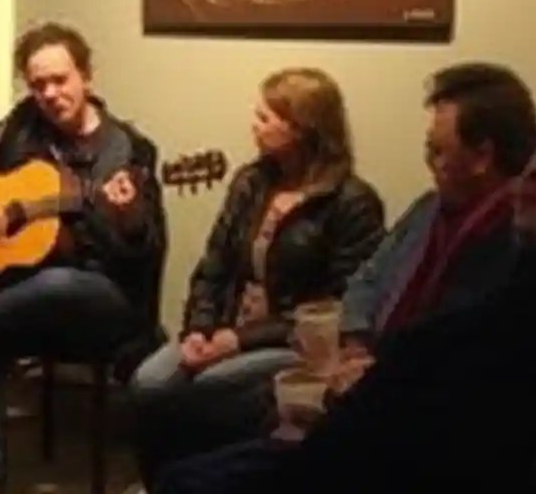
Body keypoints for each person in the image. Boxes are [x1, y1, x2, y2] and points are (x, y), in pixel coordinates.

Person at [156, 99, 536, 494]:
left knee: (190, 469)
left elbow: (438, 425)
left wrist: (349, 393)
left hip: (383, 471)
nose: (523, 188)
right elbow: (365, 282)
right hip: (365, 417)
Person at [0, 22, 168, 493]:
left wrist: (125, 218)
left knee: (59, 285)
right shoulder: (18, 130)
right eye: (38, 84)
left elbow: (144, 256)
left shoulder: (129, 151)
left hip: (103, 303)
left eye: (60, 80)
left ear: (86, 77)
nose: (49, 94)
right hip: (24, 301)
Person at [128, 67, 384, 480]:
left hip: (290, 342)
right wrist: (200, 326)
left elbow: (338, 305)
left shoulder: (352, 202)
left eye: (266, 118)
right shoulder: (251, 182)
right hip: (223, 328)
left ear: (301, 128)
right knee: (149, 384)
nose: (254, 125)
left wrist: (238, 340)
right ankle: (160, 481)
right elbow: (213, 265)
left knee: (207, 388)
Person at [336, 63, 536, 374]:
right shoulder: (428, 209)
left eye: (437, 150)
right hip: (372, 371)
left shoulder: (520, 237)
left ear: (482, 157)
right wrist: (355, 346)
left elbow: (465, 351)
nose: (429, 161)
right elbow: (367, 279)